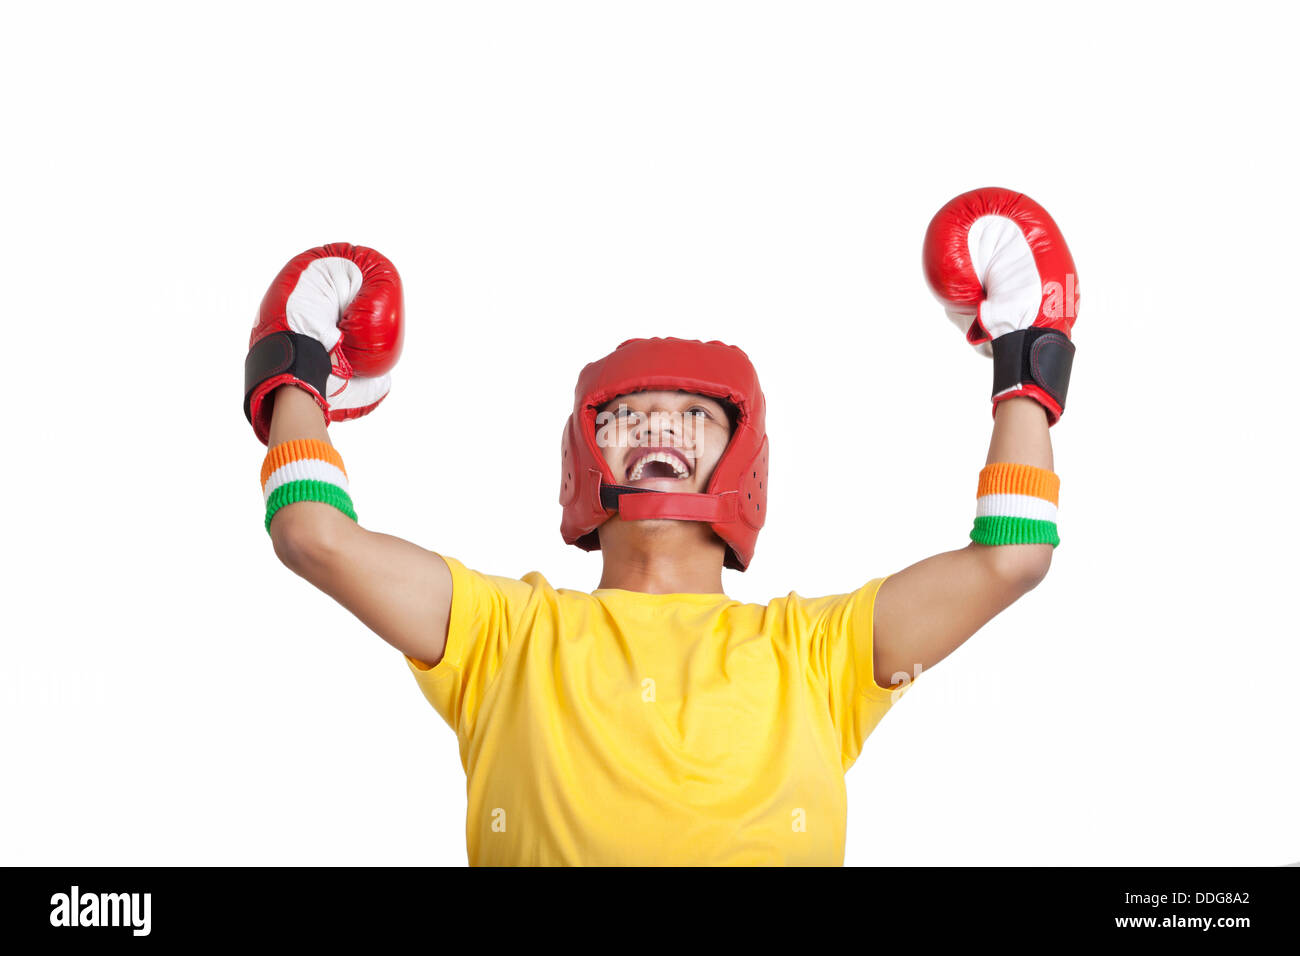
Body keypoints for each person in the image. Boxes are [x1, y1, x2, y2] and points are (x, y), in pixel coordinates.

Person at [244, 187, 1077, 865]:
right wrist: (298, 366)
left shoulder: (815, 653)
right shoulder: (505, 636)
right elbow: (313, 536)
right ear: (583, 458)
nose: (659, 428)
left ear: (742, 458)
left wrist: (1028, 356)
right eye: (630, 413)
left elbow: (1012, 559)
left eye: (693, 414)